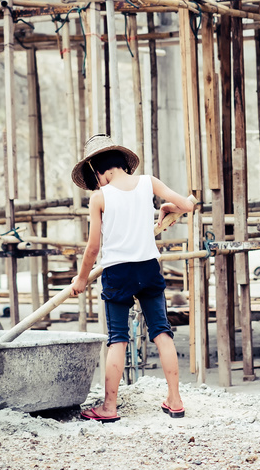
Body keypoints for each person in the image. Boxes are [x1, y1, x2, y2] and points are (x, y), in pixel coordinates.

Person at [69, 134, 196, 423]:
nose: (98, 182)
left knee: (118, 339)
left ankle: (109, 407)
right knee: (162, 332)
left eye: (96, 177)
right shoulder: (149, 182)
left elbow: (92, 248)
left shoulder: (100, 197)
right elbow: (187, 206)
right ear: (121, 163)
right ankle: (175, 401)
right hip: (148, 267)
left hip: (117, 272)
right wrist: (167, 208)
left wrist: (80, 280)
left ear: (101, 171)